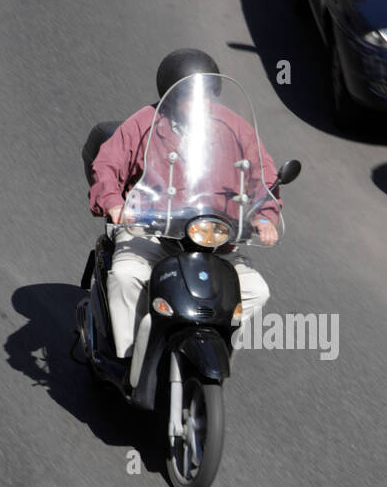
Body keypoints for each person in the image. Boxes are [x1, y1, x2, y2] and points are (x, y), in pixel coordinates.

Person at [89, 49, 280, 361]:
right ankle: (124, 358)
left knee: (256, 291)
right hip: (151, 233)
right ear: (172, 97)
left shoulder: (235, 127)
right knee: (125, 277)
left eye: (208, 96)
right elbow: (107, 164)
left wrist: (265, 215)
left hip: (213, 239)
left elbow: (264, 174)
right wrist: (114, 203)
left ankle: (213, 350)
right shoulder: (144, 123)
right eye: (192, 97)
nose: (202, 104)